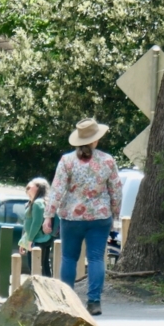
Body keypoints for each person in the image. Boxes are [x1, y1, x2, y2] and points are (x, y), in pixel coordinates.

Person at [43, 118, 122, 316]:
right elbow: (116, 190)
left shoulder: (67, 161)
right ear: (95, 140)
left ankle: (67, 301)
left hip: (71, 217)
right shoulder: (107, 160)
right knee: (96, 258)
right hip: (99, 217)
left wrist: (48, 216)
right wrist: (115, 213)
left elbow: (57, 190)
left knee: (69, 257)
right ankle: (94, 302)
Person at [19, 177, 53, 277]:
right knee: (45, 267)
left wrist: (29, 241)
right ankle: (48, 290)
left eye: (31, 186)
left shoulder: (38, 203)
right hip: (43, 239)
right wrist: (23, 242)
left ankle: (41, 290)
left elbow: (36, 223)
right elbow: (29, 224)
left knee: (35, 269)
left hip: (37, 240)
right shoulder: (41, 202)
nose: (28, 187)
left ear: (38, 188)